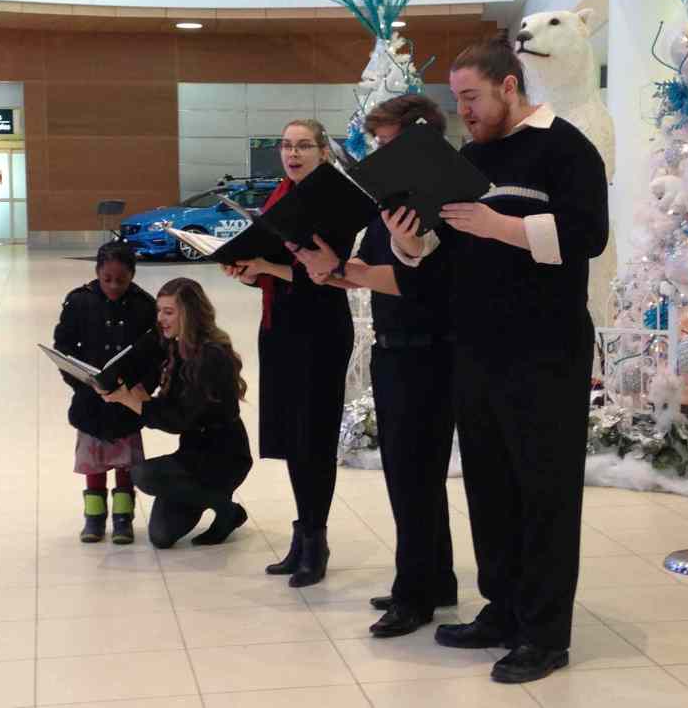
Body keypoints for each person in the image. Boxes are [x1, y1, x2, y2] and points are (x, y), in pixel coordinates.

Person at [391, 36, 608, 683]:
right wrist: (409, 244)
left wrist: (501, 226)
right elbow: (445, 252)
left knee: (544, 492)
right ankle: (503, 610)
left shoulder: (565, 148)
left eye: (472, 98)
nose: (464, 112)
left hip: (546, 351)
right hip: (476, 349)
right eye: (457, 100)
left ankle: (544, 634)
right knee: (489, 489)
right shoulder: (470, 156)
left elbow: (589, 233)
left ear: (509, 86)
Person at [288, 94, 458, 638]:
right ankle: (437, 579)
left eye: (385, 142)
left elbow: (416, 282)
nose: (377, 153)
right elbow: (371, 264)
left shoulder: (438, 201)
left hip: (426, 353)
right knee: (413, 477)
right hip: (395, 349)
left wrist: (348, 271)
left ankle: (415, 595)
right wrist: (331, 269)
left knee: (413, 479)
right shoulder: (393, 201)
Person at [221, 119, 354, 587]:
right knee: (293, 438)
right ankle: (302, 536)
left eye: (303, 146)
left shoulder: (335, 199)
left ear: (323, 152)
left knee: (314, 438)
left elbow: (329, 274)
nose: (292, 154)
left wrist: (265, 265)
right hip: (279, 327)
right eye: (286, 146)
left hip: (320, 329)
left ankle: (316, 541)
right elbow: (275, 265)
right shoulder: (281, 195)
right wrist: (250, 271)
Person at [102, 278, 252, 549]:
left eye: (168, 312)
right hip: (193, 454)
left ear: (190, 313)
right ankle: (209, 498)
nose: (160, 318)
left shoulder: (211, 356)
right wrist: (130, 391)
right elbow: (169, 404)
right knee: (161, 536)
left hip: (224, 458)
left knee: (143, 475)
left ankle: (225, 509)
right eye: (159, 311)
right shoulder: (178, 346)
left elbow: (179, 420)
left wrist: (132, 401)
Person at [52, 241, 157, 545]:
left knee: (126, 461)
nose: (113, 286)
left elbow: (156, 354)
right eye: (106, 279)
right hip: (90, 399)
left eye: (121, 280)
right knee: (93, 461)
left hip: (128, 400)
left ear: (133, 275)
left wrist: (142, 389)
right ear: (97, 272)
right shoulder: (79, 301)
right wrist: (82, 383)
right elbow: (63, 346)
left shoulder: (144, 305)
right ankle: (94, 517)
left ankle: (123, 517)